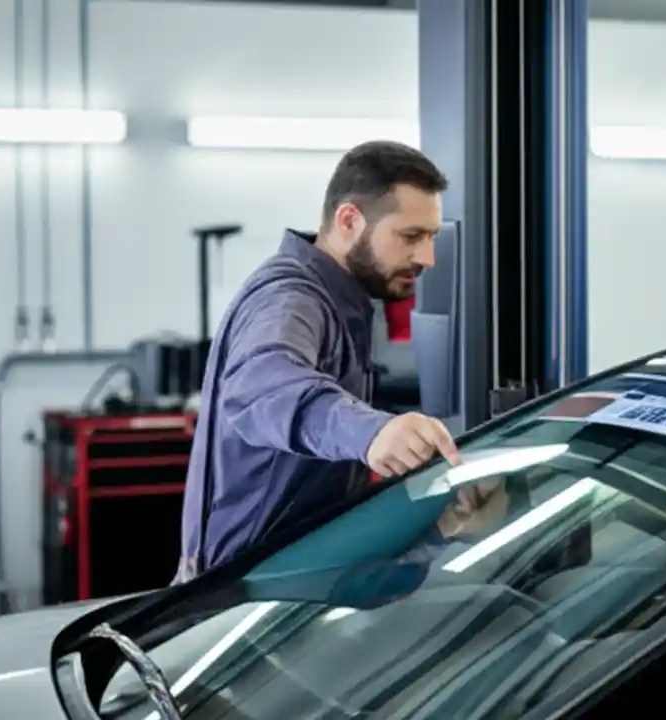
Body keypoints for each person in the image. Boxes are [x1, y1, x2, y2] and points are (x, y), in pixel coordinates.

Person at [175, 140, 464, 584]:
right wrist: (373, 432)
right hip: (238, 595)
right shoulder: (291, 298)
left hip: (288, 576)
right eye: (411, 237)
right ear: (349, 220)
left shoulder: (343, 301)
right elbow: (262, 385)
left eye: (431, 237)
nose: (427, 258)